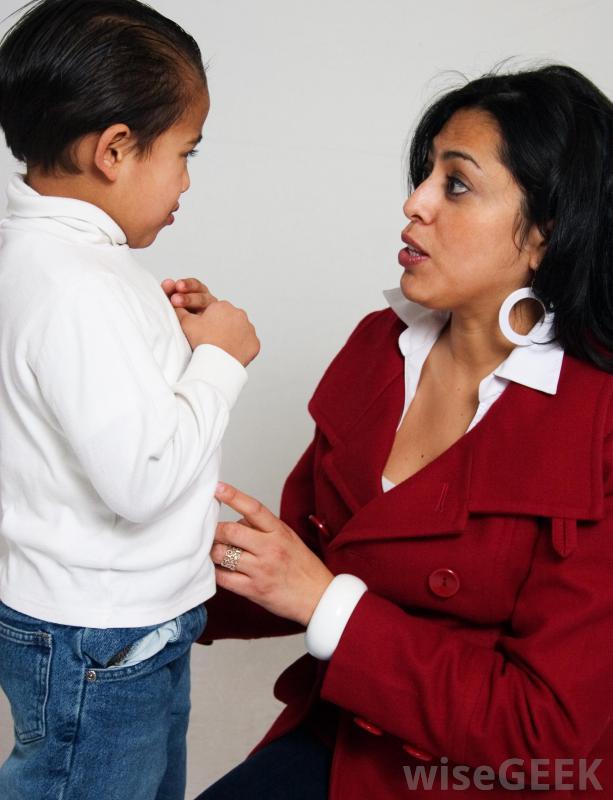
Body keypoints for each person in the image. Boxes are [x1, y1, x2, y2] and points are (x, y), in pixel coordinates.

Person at [184, 64, 613, 799]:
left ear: (545, 229)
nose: (412, 204)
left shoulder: (597, 418)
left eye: (455, 183)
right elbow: (303, 561)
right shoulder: (378, 346)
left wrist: (326, 604)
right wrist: (126, 578)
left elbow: (549, 729)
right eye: (423, 176)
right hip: (342, 740)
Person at [0, 2, 258, 799]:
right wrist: (220, 359)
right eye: (184, 152)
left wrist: (173, 340)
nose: (185, 180)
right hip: (104, 637)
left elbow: (81, 412)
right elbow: (141, 477)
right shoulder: (82, 286)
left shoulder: (50, 262)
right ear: (115, 149)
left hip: (99, 626)